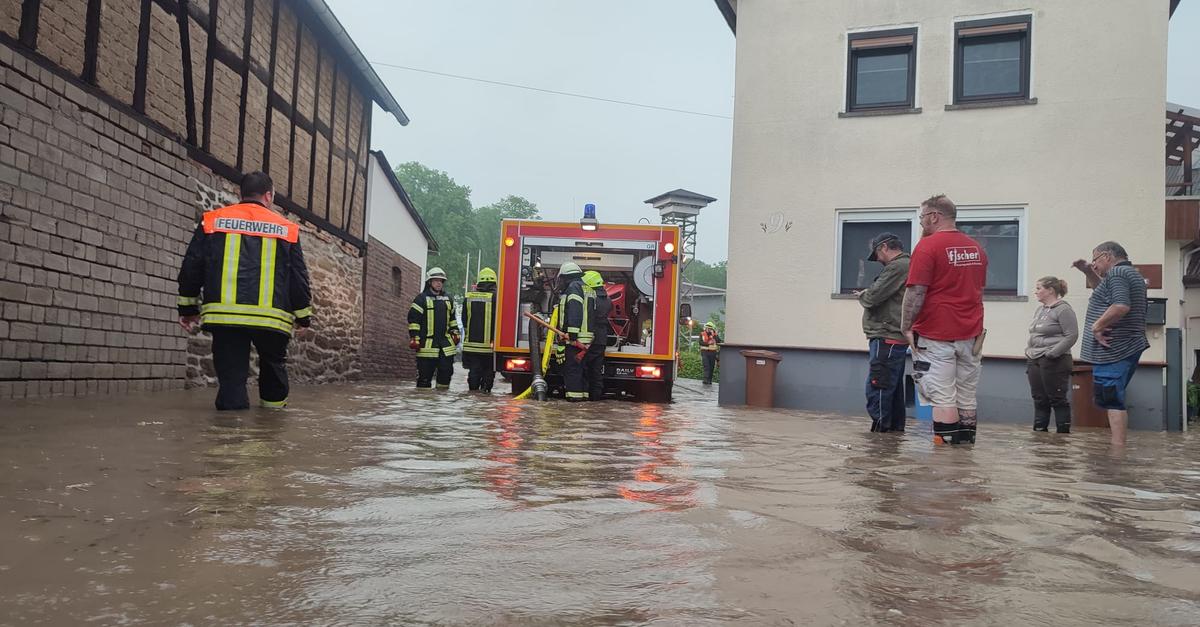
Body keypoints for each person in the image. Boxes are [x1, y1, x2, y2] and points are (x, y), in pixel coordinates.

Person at [177, 171, 312, 410]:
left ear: (241, 193)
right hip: (273, 320)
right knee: (273, 372)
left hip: (225, 317)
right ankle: (271, 430)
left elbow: (192, 265)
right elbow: (298, 277)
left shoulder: (212, 221)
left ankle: (230, 434)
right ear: (269, 196)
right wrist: (303, 316)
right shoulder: (287, 229)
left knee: (231, 380)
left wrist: (188, 308)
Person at [901, 194, 988, 445]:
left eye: (921, 218)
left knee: (943, 398)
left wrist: (906, 326)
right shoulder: (976, 248)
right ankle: (965, 457)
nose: (920, 223)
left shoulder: (927, 248)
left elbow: (916, 290)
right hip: (971, 334)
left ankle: (946, 463)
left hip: (936, 334)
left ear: (933, 216)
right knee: (967, 397)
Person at [1071, 242, 1149, 446]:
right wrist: (1087, 271)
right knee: (1111, 397)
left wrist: (1097, 326)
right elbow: (1104, 292)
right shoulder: (1127, 274)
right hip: (1124, 346)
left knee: (1112, 397)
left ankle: (1117, 452)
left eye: (1095, 260)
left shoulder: (1118, 274)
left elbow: (1121, 306)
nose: (1094, 264)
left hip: (1115, 348)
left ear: (1107, 256)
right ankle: (1117, 448)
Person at [857, 232, 910, 433]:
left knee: (878, 386)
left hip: (887, 335)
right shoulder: (906, 265)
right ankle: (893, 438)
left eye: (877, 254)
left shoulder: (897, 266)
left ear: (884, 248)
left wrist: (864, 295)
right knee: (893, 389)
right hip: (894, 336)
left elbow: (873, 297)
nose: (878, 260)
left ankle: (879, 439)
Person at [1025, 276, 1079, 433]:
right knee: (1040, 399)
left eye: (1039, 288)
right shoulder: (1040, 310)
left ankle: (1062, 437)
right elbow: (1035, 334)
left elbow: (1072, 335)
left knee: (1057, 399)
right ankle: (1040, 436)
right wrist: (1028, 351)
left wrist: (1052, 353)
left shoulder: (1064, 309)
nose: (1035, 292)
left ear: (1050, 290)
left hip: (1055, 360)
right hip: (1034, 358)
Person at [408, 267, 460, 389]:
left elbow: (452, 319)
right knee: (424, 379)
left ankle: (441, 403)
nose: (439, 283)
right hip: (427, 345)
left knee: (445, 376)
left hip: (445, 346)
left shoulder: (448, 299)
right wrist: (415, 337)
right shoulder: (421, 299)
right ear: (429, 282)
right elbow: (413, 320)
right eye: (436, 280)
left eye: (441, 281)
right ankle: (424, 402)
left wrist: (455, 332)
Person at [557, 262, 592, 402]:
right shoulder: (587, 288)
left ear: (566, 278)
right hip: (587, 338)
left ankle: (574, 402)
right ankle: (583, 400)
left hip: (576, 339)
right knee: (582, 371)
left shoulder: (573, 288)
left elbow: (575, 311)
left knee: (572, 371)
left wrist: (571, 335)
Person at [462, 267, 498, 392]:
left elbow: (464, 320)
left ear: (479, 282)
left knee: (474, 372)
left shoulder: (468, 297)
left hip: (472, 346)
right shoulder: (497, 298)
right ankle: (485, 393)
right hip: (491, 346)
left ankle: (473, 394)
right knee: (489, 373)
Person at [583, 270, 610, 400]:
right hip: (601, 339)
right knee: (596, 370)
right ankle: (595, 398)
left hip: (589, 338)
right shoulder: (607, 298)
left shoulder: (591, 298)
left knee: (583, 369)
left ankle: (584, 396)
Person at [699, 321, 723, 385]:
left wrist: (715, 335)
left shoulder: (714, 335)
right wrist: (707, 343)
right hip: (705, 352)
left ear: (712, 329)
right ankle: (705, 379)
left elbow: (719, 341)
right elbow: (700, 342)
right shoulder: (702, 334)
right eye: (707, 328)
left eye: (710, 328)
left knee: (711, 367)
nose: (708, 329)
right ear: (705, 328)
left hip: (713, 353)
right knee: (706, 366)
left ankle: (709, 380)